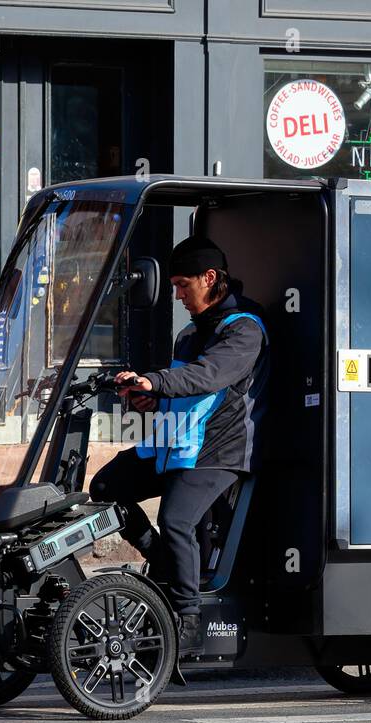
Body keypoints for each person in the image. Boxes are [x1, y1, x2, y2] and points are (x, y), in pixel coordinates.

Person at [89, 237, 268, 651]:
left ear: (210, 278)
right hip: (175, 441)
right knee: (104, 488)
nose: (177, 294)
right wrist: (149, 396)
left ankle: (187, 619)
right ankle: (167, 564)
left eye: (183, 284)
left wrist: (155, 379)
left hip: (219, 450)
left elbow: (208, 377)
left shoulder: (245, 328)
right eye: (173, 284)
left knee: (176, 520)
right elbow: (187, 390)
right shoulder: (189, 333)